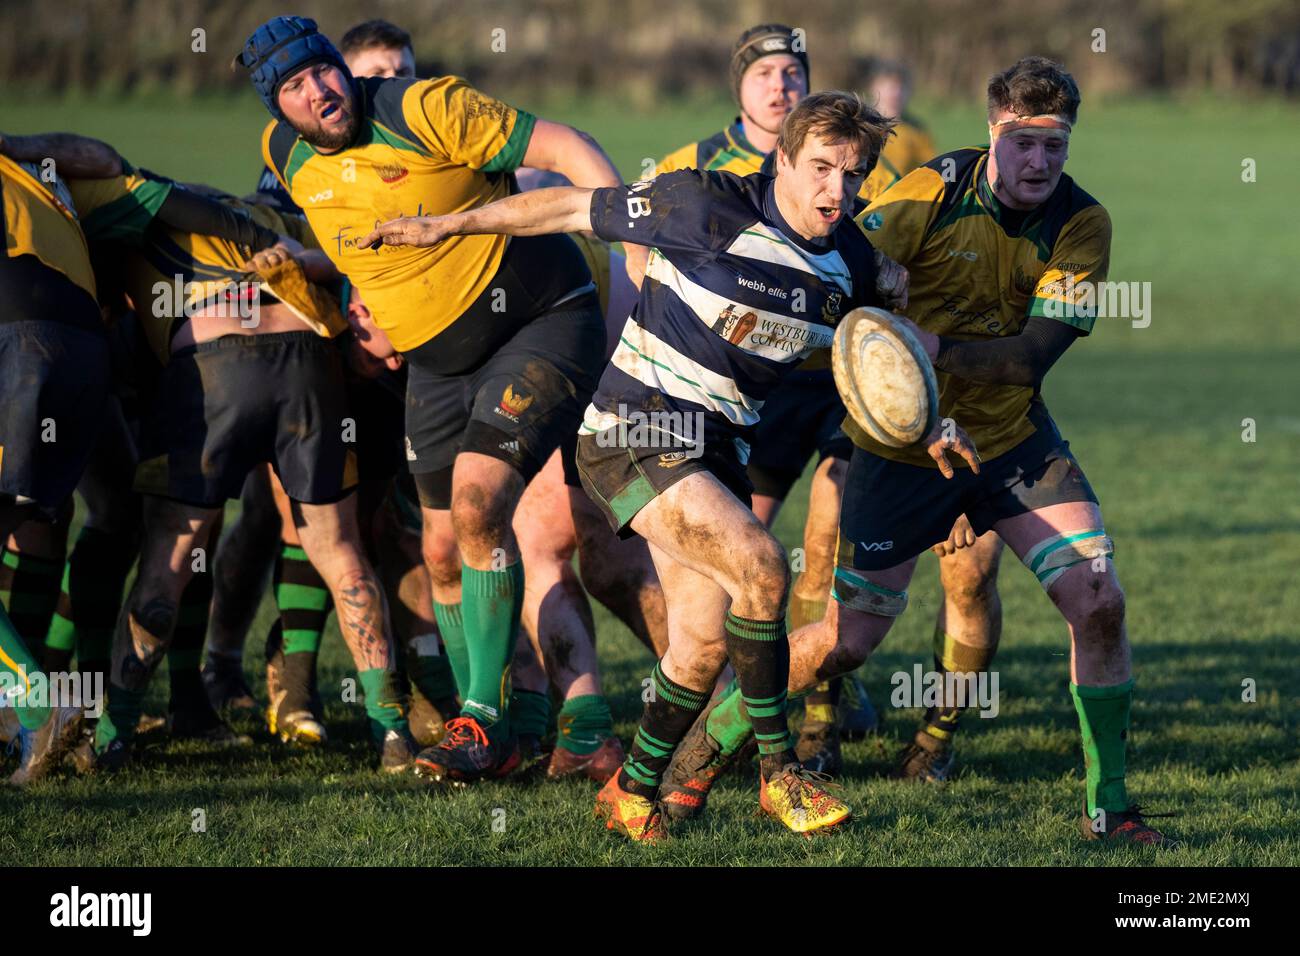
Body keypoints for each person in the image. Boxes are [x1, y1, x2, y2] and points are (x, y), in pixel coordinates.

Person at [362, 91, 975, 840]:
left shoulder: (851, 263)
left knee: (700, 647)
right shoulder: (699, 204)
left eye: (851, 176)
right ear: (780, 157)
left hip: (720, 453)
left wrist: (930, 420)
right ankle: (780, 775)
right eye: (819, 169)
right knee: (762, 570)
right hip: (634, 430)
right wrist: (444, 225)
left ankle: (636, 787)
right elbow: (562, 209)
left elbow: (885, 357)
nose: (834, 192)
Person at [664, 57, 1177, 847]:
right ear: (992, 134)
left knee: (1099, 601)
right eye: (1022, 144)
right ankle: (693, 764)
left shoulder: (1083, 223)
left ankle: (1109, 806)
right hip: (903, 449)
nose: (1039, 162)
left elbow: (1030, 356)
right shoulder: (925, 193)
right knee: (841, 641)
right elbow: (839, 280)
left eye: (1055, 145)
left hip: (1010, 442)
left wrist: (923, 342)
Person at [239, 15, 634, 783]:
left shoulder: (420, 109)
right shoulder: (282, 154)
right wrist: (320, 267)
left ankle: (480, 724)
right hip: (438, 365)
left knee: (484, 505)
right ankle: (521, 723)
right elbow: (362, 232)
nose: (320, 90)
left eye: (323, 70)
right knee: (441, 551)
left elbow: (564, 145)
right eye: (294, 86)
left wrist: (636, 238)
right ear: (275, 107)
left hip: (540, 317)